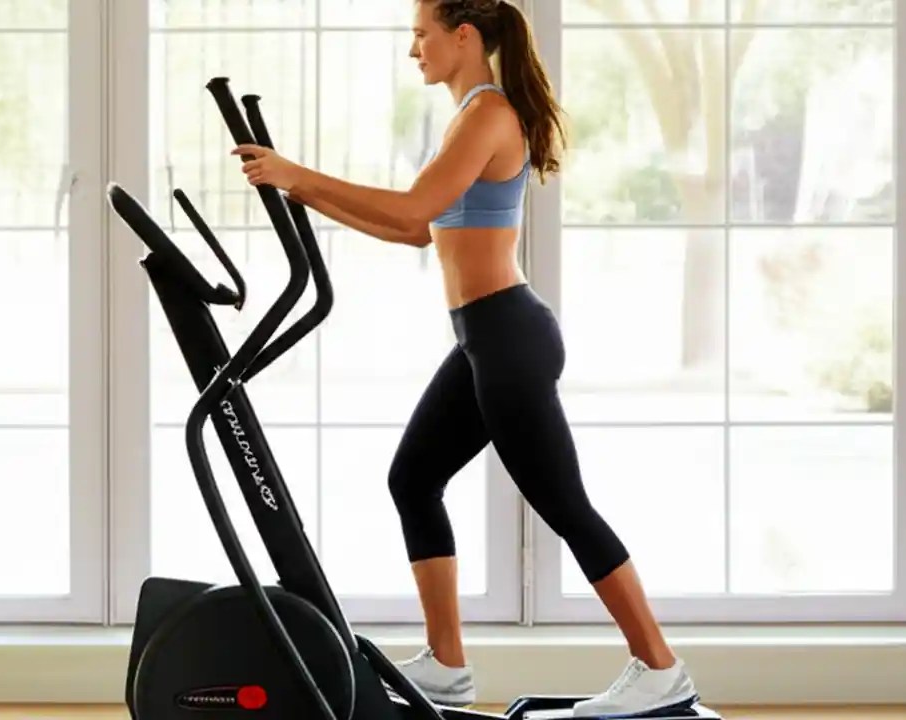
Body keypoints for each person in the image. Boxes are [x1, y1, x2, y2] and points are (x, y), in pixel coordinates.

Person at [231, 0, 700, 716]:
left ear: (464, 36)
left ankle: (660, 667)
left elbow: (413, 210)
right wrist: (302, 194)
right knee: (413, 478)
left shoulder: (487, 114)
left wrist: (299, 176)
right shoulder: (466, 119)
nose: (412, 48)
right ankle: (447, 665)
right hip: (485, 337)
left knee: (564, 505)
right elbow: (421, 233)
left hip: (508, 337)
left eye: (421, 34)